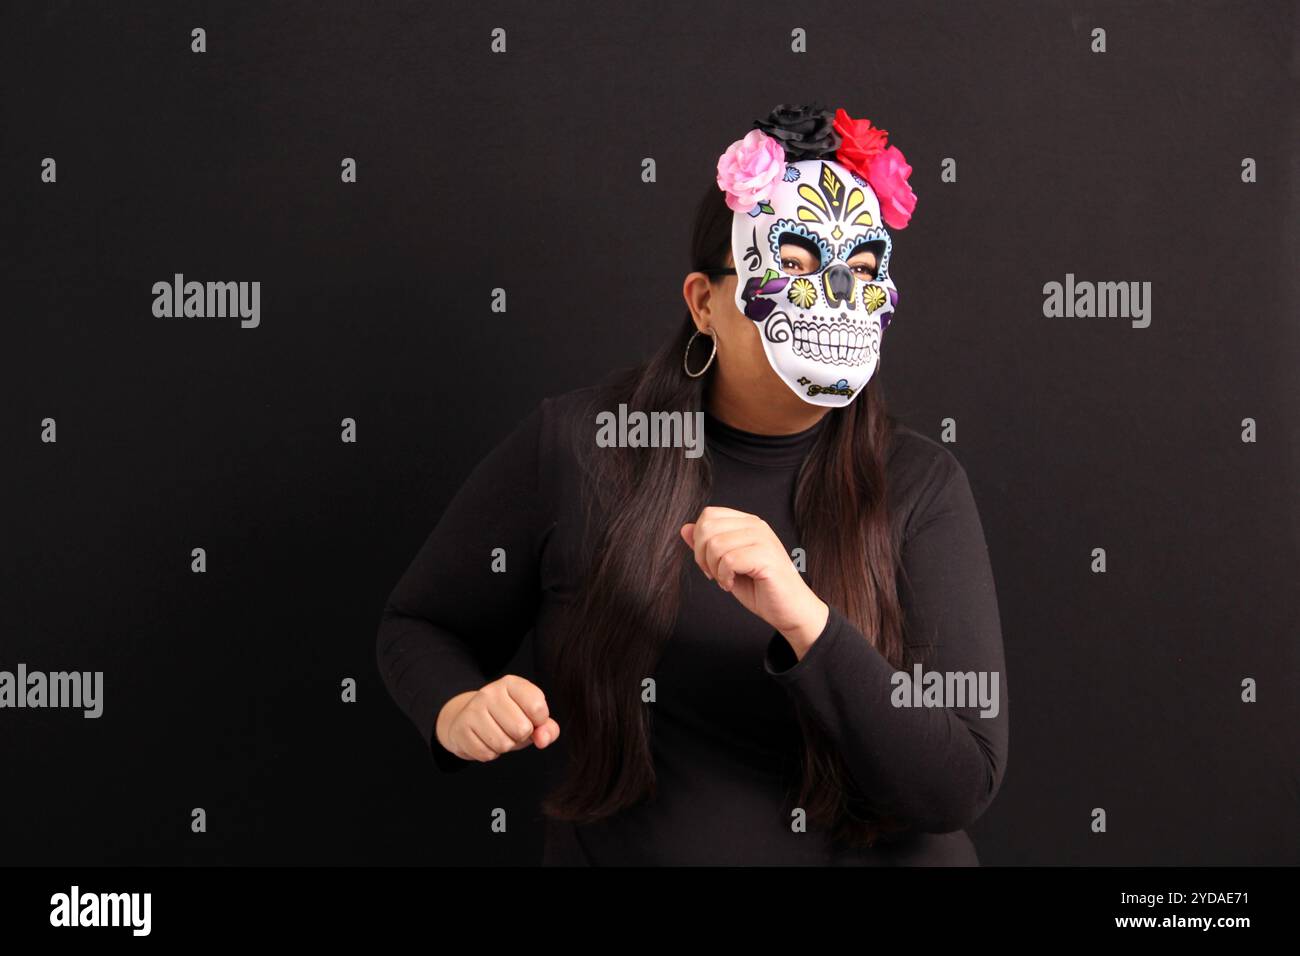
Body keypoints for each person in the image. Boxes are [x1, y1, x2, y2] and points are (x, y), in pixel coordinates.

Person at [376, 103, 1008, 865]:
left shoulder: (919, 483)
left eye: (865, 269)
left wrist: (808, 623)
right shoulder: (581, 446)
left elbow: (955, 786)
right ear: (705, 303)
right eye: (798, 265)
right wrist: (455, 708)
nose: (839, 293)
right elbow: (421, 624)